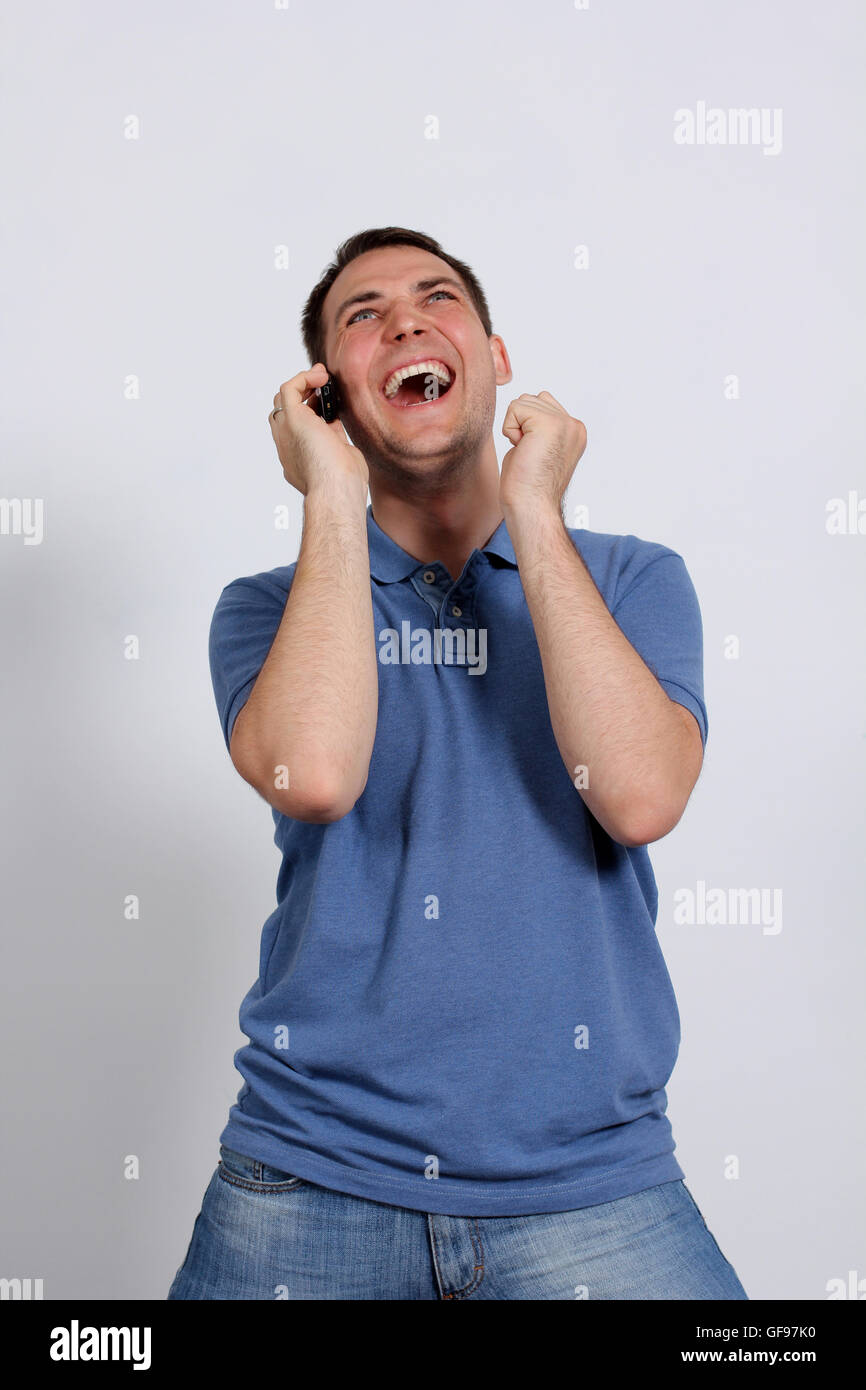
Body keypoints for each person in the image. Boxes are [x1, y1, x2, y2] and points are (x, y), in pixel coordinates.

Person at [168, 226, 748, 1300]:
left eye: (437, 299)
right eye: (362, 316)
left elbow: (637, 795)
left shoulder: (628, 578)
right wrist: (330, 497)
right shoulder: (263, 610)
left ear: (491, 355)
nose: (405, 320)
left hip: (591, 1182)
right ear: (326, 396)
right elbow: (317, 771)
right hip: (308, 1178)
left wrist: (531, 510)